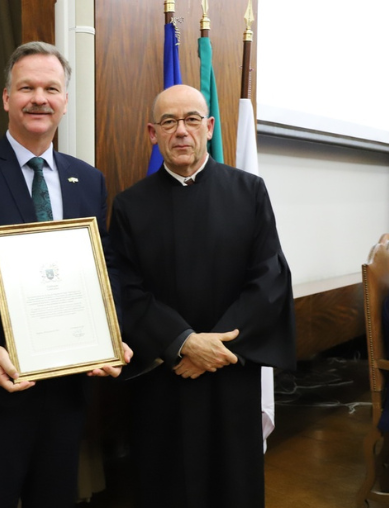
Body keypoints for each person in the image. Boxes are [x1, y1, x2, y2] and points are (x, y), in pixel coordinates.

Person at [0, 41, 132, 508]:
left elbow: (104, 266)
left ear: (64, 99)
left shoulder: (88, 180)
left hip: (68, 388)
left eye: (51, 88)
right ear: (6, 98)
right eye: (27, 87)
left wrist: (109, 331)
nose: (39, 98)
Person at [109, 84, 296, 508]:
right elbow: (124, 288)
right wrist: (184, 343)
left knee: (234, 487)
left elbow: (269, 278)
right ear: (151, 134)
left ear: (209, 128)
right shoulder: (129, 206)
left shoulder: (249, 192)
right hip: (164, 376)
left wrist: (214, 347)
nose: (181, 131)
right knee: (167, 486)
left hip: (231, 373)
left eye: (192, 120)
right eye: (169, 122)